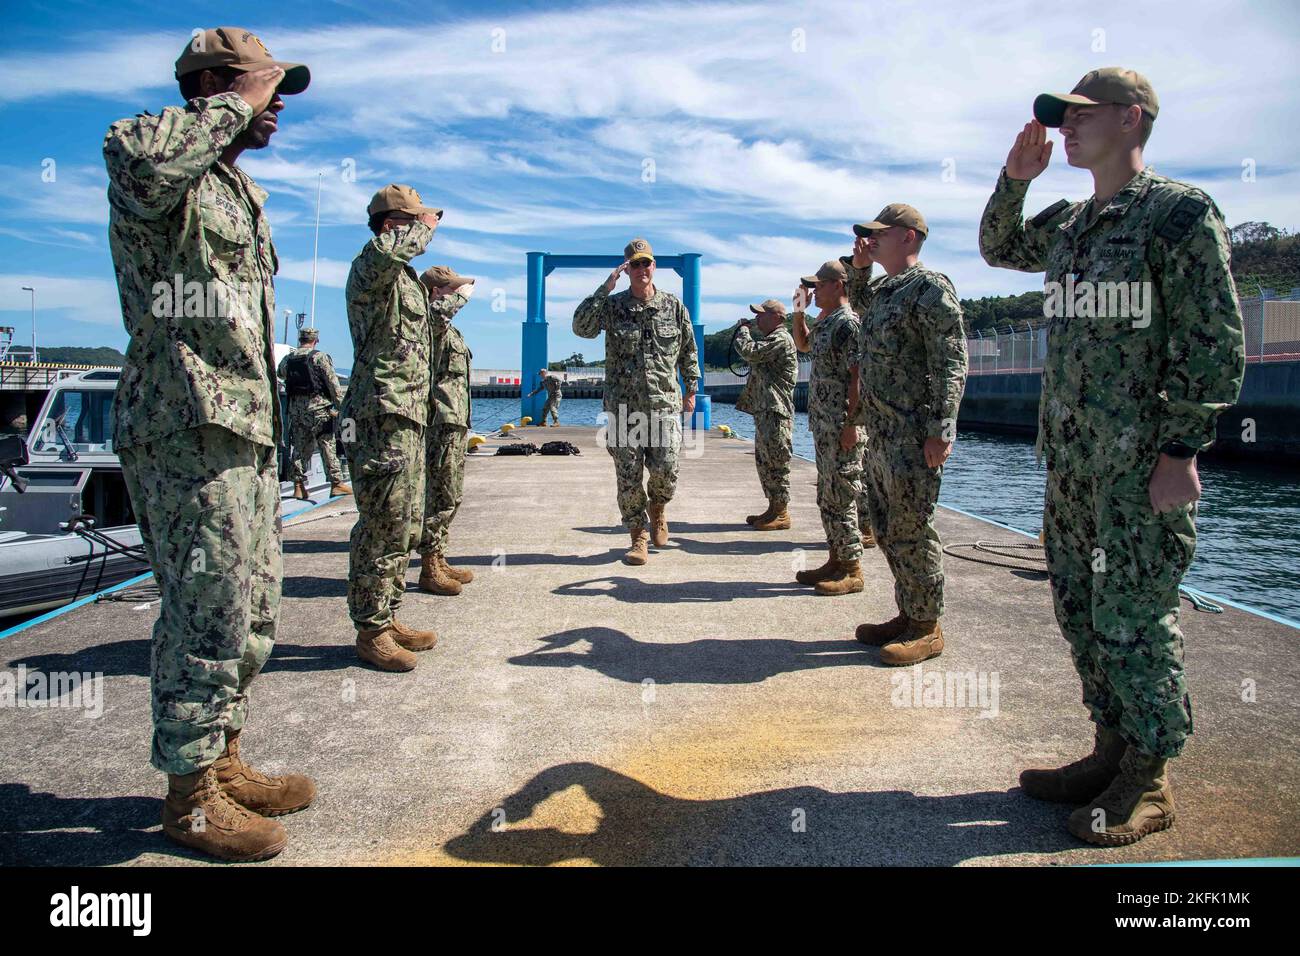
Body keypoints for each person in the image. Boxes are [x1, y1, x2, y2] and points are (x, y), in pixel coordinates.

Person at [979, 68, 1245, 845]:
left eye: (1079, 116)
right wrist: (1013, 180)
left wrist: (1180, 450)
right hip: (1071, 461)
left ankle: (1151, 776)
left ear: (1132, 120)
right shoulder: (1070, 224)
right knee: (1081, 612)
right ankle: (1113, 748)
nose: (1065, 127)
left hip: (1137, 465)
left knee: (1132, 617)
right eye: (1059, 118)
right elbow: (998, 248)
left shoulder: (1177, 214)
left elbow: (1214, 341)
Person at [104, 26, 314, 862]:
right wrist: (236, 102)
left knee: (253, 610)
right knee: (206, 612)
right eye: (273, 88)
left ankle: (223, 760)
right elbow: (152, 167)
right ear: (221, 85)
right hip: (185, 424)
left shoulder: (236, 191)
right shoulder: (146, 148)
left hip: (246, 424)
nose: (279, 108)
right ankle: (188, 797)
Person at [852, 204, 968, 664]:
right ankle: (909, 612)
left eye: (882, 232)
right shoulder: (883, 292)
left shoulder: (930, 288)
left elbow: (950, 362)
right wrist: (859, 270)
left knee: (913, 529)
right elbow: (858, 304)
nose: (872, 239)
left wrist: (941, 429)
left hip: (912, 433)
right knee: (885, 527)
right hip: (881, 433)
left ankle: (927, 626)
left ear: (910, 237)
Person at [342, 184, 443, 672]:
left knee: (402, 521)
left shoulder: (402, 277)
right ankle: (370, 628)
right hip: (380, 414)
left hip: (407, 413)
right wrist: (421, 231)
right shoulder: (371, 268)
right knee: (382, 524)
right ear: (391, 227)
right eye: (417, 220)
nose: (429, 227)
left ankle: (387, 614)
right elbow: (389, 253)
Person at [573, 238, 699, 565]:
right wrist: (605, 287)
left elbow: (688, 349)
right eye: (635, 264)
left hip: (664, 405)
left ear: (654, 266)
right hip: (622, 409)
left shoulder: (673, 306)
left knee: (667, 470)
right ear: (627, 268)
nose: (642, 269)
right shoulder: (613, 307)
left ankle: (657, 509)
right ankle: (638, 535)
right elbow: (581, 327)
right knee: (628, 477)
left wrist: (692, 388)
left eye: (646, 263)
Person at [791, 260, 864, 596]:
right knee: (828, 495)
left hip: (841, 425)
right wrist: (799, 312)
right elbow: (804, 345)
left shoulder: (847, 323)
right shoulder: (825, 321)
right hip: (824, 425)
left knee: (843, 496)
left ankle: (852, 569)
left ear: (838, 285)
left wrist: (852, 423)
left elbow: (857, 376)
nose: (814, 291)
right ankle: (836, 558)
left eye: (819, 285)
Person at [415, 265, 476, 596]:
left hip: (453, 421)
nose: (459, 293)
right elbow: (435, 318)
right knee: (440, 494)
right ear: (438, 293)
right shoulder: (426, 321)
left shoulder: (449, 330)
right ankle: (429, 567)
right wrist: (460, 299)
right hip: (439, 421)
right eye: (453, 289)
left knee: (450, 494)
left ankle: (437, 556)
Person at [734, 299, 798, 530]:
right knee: (765, 461)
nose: (758, 318)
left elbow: (750, 352)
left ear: (778, 318)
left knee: (776, 461)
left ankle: (781, 512)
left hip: (776, 411)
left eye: (763, 314)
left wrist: (742, 331)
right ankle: (774, 508)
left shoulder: (780, 339)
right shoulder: (772, 339)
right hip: (766, 410)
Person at [277, 326, 350, 500]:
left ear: (300, 339)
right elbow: (332, 383)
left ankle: (298, 486)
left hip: (296, 411)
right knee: (327, 445)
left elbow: (280, 373)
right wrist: (341, 407)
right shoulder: (319, 357)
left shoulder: (288, 359)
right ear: (315, 340)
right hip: (319, 410)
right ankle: (336, 483)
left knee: (300, 448)